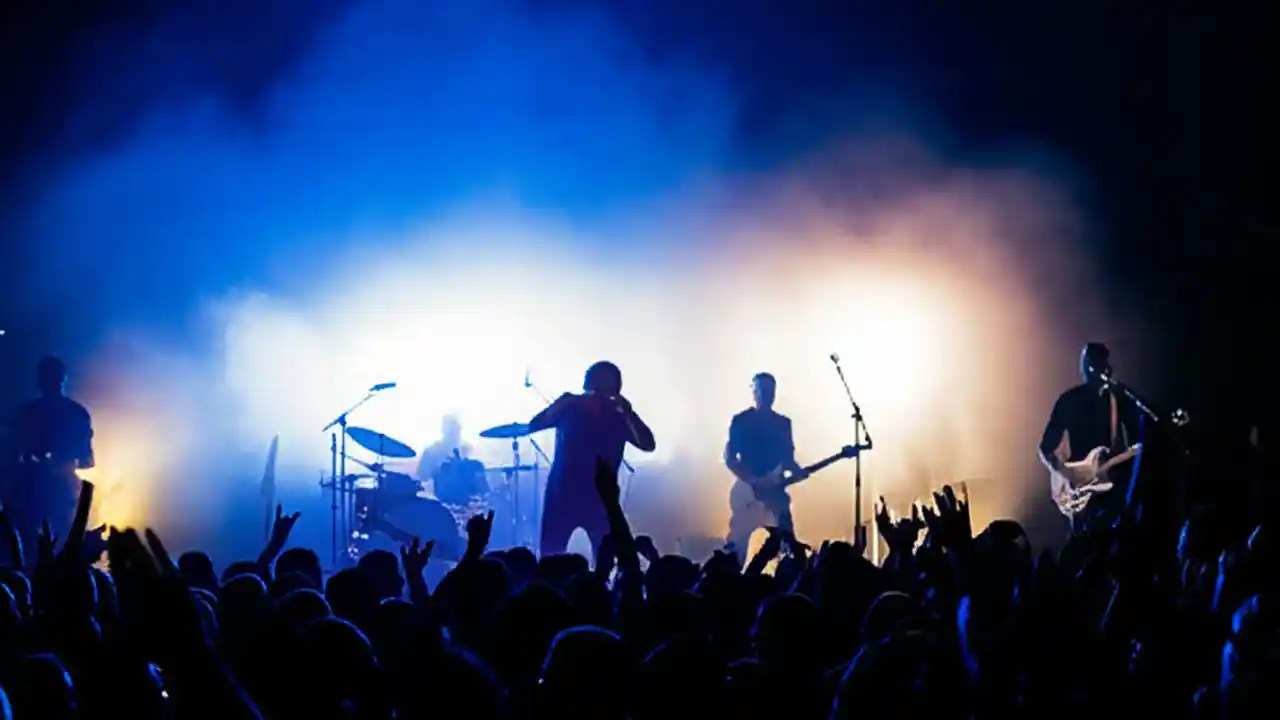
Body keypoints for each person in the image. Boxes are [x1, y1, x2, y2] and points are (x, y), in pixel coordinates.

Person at [527, 361, 655, 559]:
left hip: (600, 498)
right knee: (551, 555)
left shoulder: (618, 416)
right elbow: (534, 425)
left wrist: (629, 413)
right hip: (564, 495)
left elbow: (648, 444)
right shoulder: (570, 410)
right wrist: (558, 405)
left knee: (606, 555)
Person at [1038, 343, 1140, 533]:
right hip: (1080, 492)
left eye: (1102, 363)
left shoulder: (1119, 400)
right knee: (1084, 545)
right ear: (1085, 367)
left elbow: (1137, 442)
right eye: (1092, 363)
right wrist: (1066, 473)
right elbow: (1046, 447)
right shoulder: (1069, 401)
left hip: (1111, 485)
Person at [2, 356, 94, 558]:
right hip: (39, 488)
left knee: (37, 544)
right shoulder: (75, 412)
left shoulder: (28, 412)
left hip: (44, 488)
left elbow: (86, 459)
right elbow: (87, 459)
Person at [724, 373, 807, 558]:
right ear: (753, 392)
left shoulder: (783, 424)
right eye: (760, 390)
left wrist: (797, 471)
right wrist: (753, 480)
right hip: (747, 490)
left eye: (769, 390)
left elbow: (787, 459)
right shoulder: (741, 421)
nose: (765, 395)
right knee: (738, 545)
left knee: (788, 540)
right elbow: (730, 459)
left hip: (775, 490)